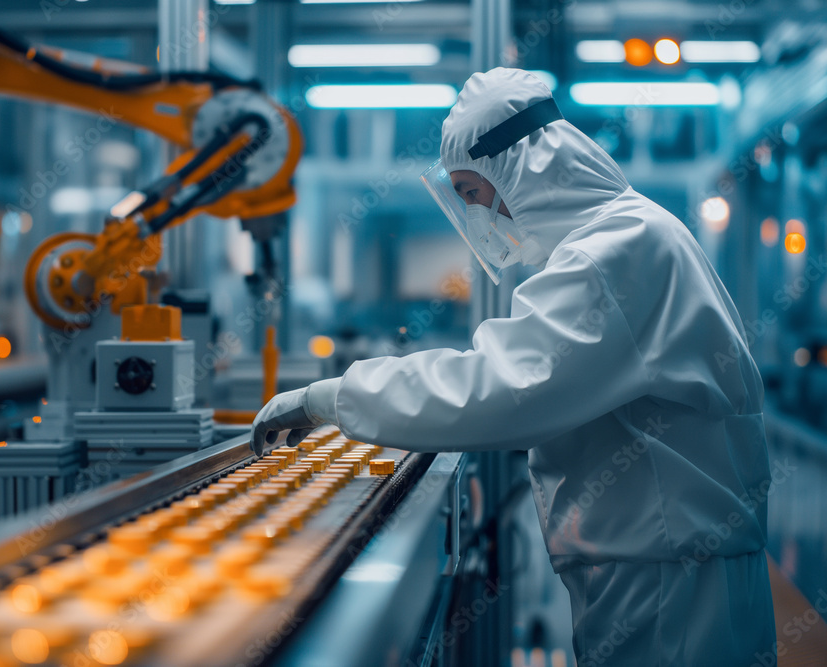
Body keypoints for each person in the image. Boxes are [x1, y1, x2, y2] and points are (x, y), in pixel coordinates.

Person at [251, 68, 777, 666]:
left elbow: (503, 387)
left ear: (521, 169)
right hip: (666, 554)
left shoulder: (614, 251)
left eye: (474, 195)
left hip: (667, 572)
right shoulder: (631, 232)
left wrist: (334, 399)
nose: (479, 218)